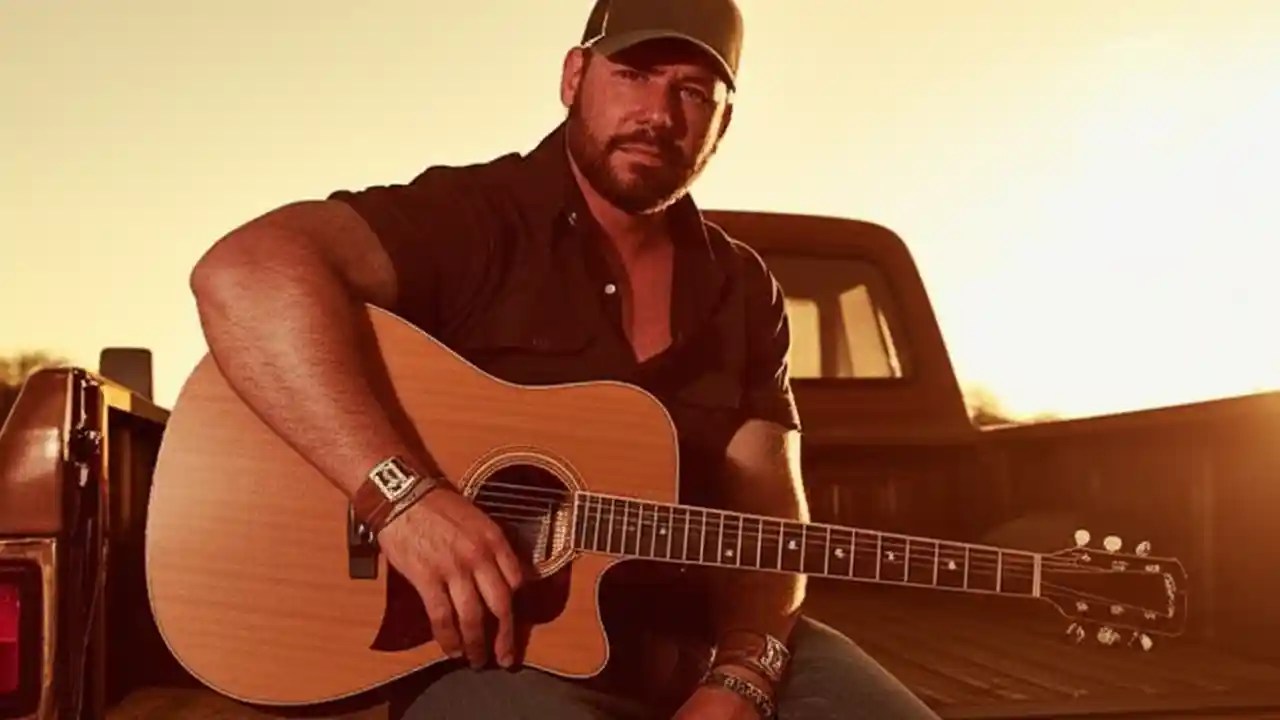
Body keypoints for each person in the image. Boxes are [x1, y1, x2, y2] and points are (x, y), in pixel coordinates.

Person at [188, 0, 940, 718]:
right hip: (498, 648)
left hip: (695, 639)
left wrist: (743, 674)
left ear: (722, 123)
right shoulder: (475, 219)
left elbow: (771, 517)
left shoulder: (742, 289)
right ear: (574, 77)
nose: (658, 113)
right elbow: (243, 273)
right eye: (633, 75)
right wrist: (402, 499)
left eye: (693, 92)